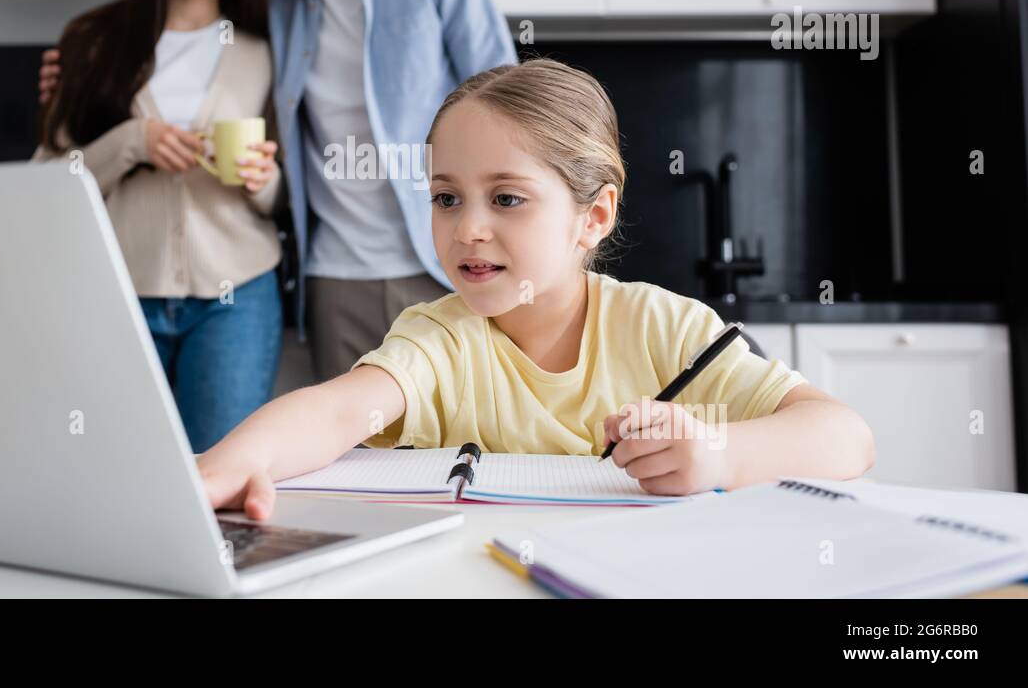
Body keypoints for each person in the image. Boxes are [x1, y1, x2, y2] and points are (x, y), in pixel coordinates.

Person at [196, 59, 876, 517]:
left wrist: (718, 453)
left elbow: (846, 437)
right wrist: (224, 466)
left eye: (507, 198)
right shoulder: (440, 336)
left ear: (594, 216)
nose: (468, 230)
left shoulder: (662, 327)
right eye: (447, 198)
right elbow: (336, 413)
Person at [43, 0, 519, 382]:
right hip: (330, 275)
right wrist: (82, 74)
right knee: (356, 463)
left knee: (467, 445)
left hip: (445, 259)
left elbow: (510, 104)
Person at [34, 0, 284, 453]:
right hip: (119, 296)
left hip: (237, 300)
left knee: (215, 480)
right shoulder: (93, 41)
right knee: (117, 469)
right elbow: (45, 183)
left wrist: (263, 179)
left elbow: (285, 195)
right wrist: (132, 143)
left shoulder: (262, 50)